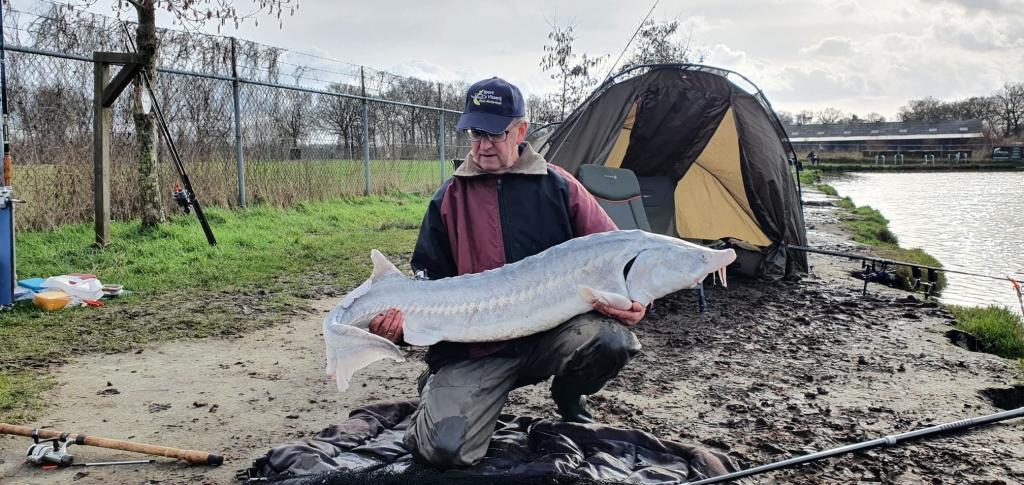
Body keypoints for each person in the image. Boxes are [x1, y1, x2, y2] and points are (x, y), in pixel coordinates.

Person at [367, 77, 645, 469]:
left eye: (495, 134)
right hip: (476, 350)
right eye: (475, 133)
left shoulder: (561, 187)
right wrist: (400, 329)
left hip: (551, 335)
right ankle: (439, 388)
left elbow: (620, 255)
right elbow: (427, 287)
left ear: (521, 130)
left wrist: (634, 301)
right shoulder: (447, 199)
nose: (483, 145)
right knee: (443, 451)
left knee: (612, 340)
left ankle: (569, 395)